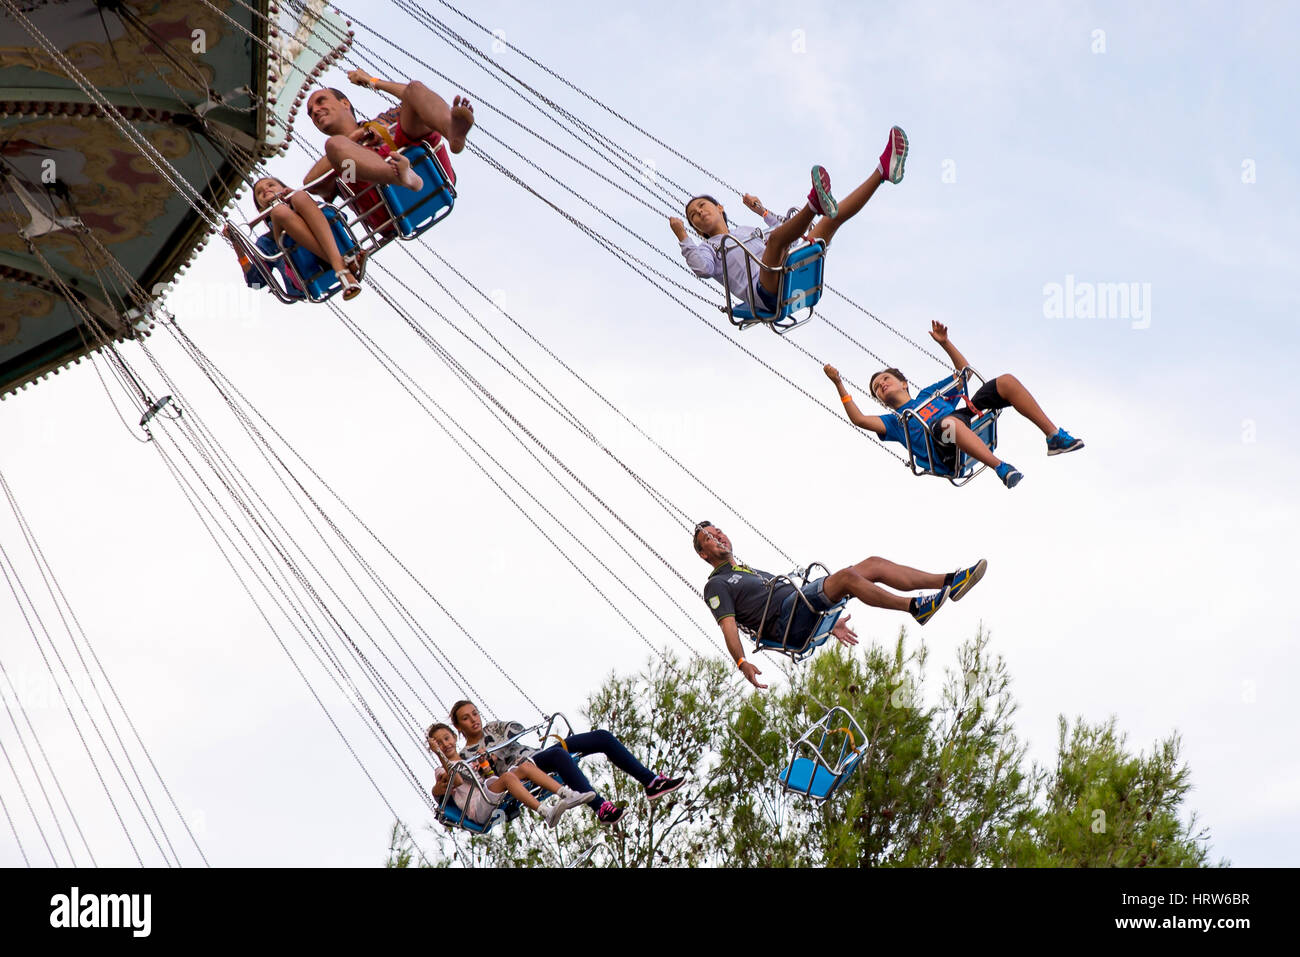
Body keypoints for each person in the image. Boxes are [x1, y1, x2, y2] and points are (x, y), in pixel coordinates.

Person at [692, 521, 986, 690]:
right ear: (704, 554)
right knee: (846, 577)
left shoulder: (746, 571)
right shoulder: (716, 585)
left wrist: (829, 624)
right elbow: (728, 626)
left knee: (872, 564)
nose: (716, 536)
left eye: (717, 532)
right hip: (787, 621)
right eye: (708, 538)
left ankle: (950, 580)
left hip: (801, 608)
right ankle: (915, 607)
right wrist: (742, 663)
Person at [669, 126, 908, 313]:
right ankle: (813, 204)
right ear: (698, 230)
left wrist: (762, 211)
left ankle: (882, 171)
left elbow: (781, 229)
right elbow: (703, 269)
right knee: (776, 244)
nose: (699, 213)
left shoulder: (743, 230)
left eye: (702, 206)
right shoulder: (708, 248)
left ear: (720, 208)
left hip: (788, 270)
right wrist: (682, 235)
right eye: (693, 216)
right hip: (766, 292)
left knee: (829, 221)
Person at [824, 321, 1085, 488]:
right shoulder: (894, 422)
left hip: (960, 420)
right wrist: (839, 384)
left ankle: (1053, 436)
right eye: (877, 389)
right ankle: (1000, 467)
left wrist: (945, 343)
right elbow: (858, 419)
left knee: (1006, 382)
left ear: (904, 383)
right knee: (948, 424)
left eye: (885, 379)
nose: (881, 385)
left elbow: (964, 374)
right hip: (941, 446)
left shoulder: (930, 393)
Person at [450, 700, 686, 826]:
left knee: (601, 737)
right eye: (466, 718)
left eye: (475, 714)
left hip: (533, 756)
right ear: (459, 728)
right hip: (521, 772)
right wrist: (488, 761)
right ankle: (601, 808)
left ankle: (651, 781)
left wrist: (495, 751)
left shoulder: (493, 728)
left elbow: (516, 729)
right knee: (559, 757)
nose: (474, 720)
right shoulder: (466, 755)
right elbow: (485, 782)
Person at [301, 71, 472, 234]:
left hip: (419, 165)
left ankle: (452, 132)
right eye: (310, 113)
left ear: (344, 103)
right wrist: (355, 137)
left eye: (321, 101)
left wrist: (371, 80)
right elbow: (311, 183)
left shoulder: (384, 120)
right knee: (337, 150)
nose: (315, 111)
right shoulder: (336, 157)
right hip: (377, 195)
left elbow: (413, 95)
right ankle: (398, 175)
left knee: (415, 89)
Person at [428, 723, 591, 829]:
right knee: (507, 777)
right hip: (477, 807)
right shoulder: (441, 770)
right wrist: (439, 755)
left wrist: (485, 764)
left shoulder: (468, 760)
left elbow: (489, 777)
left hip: (488, 796)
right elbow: (456, 780)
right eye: (439, 744)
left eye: (447, 739)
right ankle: (546, 813)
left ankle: (568, 794)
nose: (445, 744)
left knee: (525, 766)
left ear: (455, 738)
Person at [226, 175, 361, 299]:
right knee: (280, 212)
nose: (266, 190)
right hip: (305, 275)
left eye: (271, 185)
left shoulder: (309, 203)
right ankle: (342, 264)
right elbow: (255, 283)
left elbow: (340, 217)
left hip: (339, 245)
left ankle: (340, 268)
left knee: (300, 197)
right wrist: (237, 246)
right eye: (260, 193)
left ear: (284, 189)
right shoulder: (266, 241)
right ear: (261, 211)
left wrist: (303, 199)